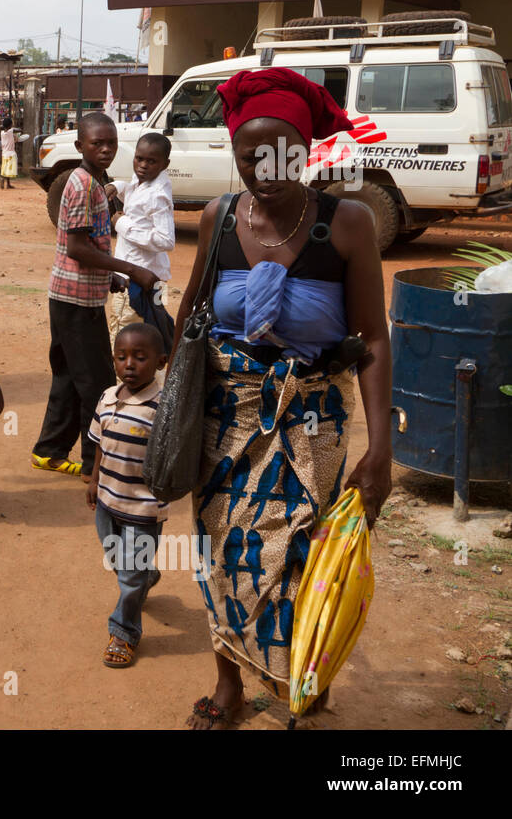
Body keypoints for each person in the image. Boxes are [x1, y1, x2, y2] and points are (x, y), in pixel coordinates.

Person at [176, 67, 392, 729]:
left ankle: (299, 671)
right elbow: (188, 320)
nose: (265, 169)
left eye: (281, 154)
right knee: (221, 551)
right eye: (249, 156)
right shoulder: (217, 219)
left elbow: (373, 341)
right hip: (224, 421)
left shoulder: (347, 225)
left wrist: (384, 449)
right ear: (234, 152)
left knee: (299, 552)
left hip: (312, 427)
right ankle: (230, 683)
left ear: (306, 150)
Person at [31, 112, 158, 478]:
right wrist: (130, 269)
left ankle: (49, 451)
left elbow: (89, 246)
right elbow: (77, 248)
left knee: (70, 376)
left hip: (74, 294)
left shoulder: (92, 181)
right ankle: (93, 465)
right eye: (96, 143)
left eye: (111, 143)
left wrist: (109, 277)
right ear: (79, 146)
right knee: (98, 385)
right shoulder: (84, 184)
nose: (105, 149)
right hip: (75, 301)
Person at [86, 323, 169, 669]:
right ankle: (144, 577)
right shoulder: (107, 397)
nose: (129, 365)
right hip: (107, 499)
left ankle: (124, 631)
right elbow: (100, 446)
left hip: (143, 508)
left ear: (161, 362)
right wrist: (93, 481)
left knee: (129, 574)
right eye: (121, 357)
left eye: (139, 357)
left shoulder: (163, 407)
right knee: (116, 556)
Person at [106, 132, 175, 354]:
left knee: (126, 335)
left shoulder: (158, 194)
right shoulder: (142, 181)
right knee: (150, 329)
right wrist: (118, 186)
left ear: (165, 164)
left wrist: (122, 223)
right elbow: (137, 199)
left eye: (151, 161)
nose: (143, 165)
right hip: (146, 276)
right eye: (139, 158)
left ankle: (125, 384)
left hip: (138, 278)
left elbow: (166, 240)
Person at [0, 117, 22, 190]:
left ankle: (8, 184)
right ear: (10, 125)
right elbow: (19, 130)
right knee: (8, 170)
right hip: (11, 153)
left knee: (5, 168)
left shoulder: (2, 133)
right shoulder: (10, 131)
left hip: (4, 153)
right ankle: (2, 178)